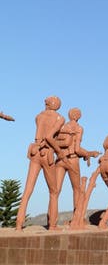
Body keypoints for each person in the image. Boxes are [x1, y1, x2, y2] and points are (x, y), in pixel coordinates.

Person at [16, 96, 65, 230]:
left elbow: (41, 133)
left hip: (34, 151)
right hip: (47, 153)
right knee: (54, 191)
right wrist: (59, 151)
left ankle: (19, 224)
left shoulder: (39, 116)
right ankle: (53, 225)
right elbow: (49, 137)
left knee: (28, 190)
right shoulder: (59, 118)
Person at [55, 108, 99, 222]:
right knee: (77, 189)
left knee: (55, 190)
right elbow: (77, 149)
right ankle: (77, 218)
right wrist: (89, 153)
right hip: (72, 160)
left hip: (60, 160)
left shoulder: (62, 126)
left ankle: (52, 221)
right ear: (78, 117)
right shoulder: (79, 128)